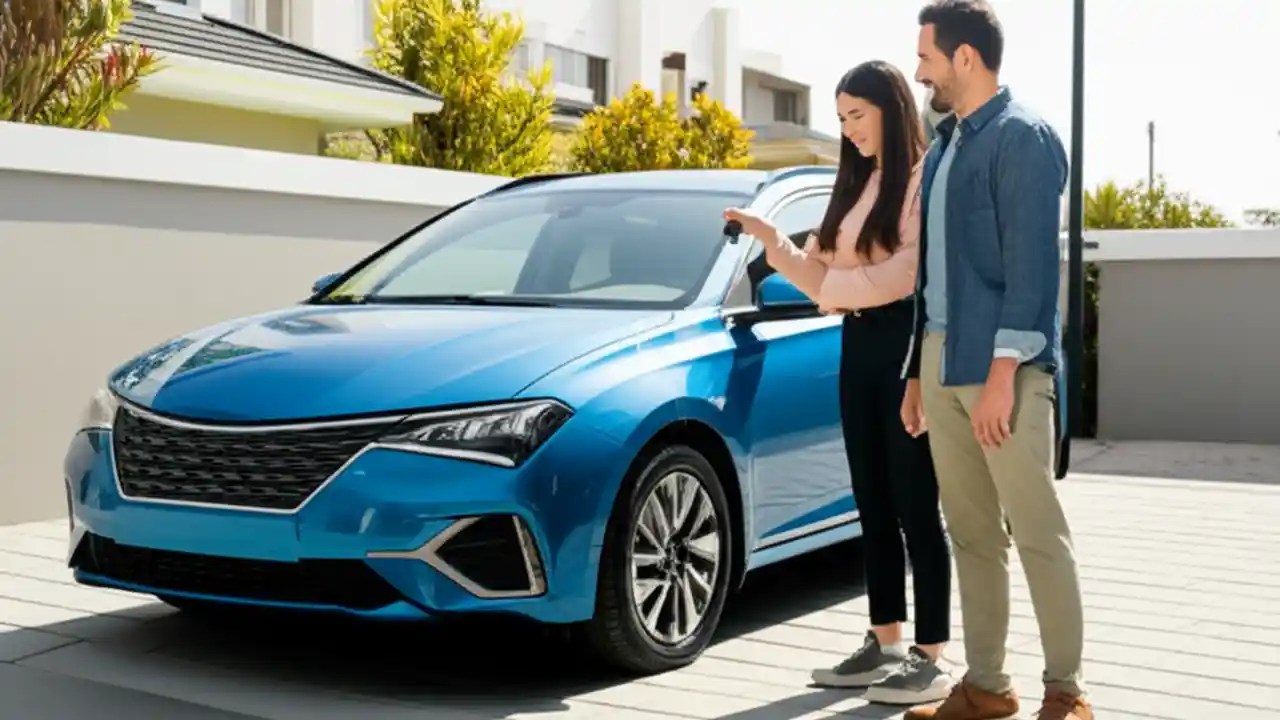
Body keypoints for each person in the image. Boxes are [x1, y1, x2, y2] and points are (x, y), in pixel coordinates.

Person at [723, 60, 954, 707]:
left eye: (859, 115)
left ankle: (931, 655)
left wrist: (834, 290)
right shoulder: (854, 185)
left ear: (892, 110)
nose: (850, 130)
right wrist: (776, 245)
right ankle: (885, 641)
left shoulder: (921, 179)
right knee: (871, 502)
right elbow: (817, 269)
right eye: (843, 118)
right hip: (857, 351)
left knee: (916, 505)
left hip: (907, 347)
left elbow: (910, 274)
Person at [901, 2, 1091, 719]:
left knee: (1037, 531)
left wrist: (1004, 376)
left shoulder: (1025, 139)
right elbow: (931, 271)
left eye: (926, 58)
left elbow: (1033, 273)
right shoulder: (946, 143)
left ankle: (1066, 693)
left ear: (966, 59)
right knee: (972, 533)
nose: (920, 71)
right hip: (943, 361)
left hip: (1004, 367)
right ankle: (986, 686)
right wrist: (917, 372)